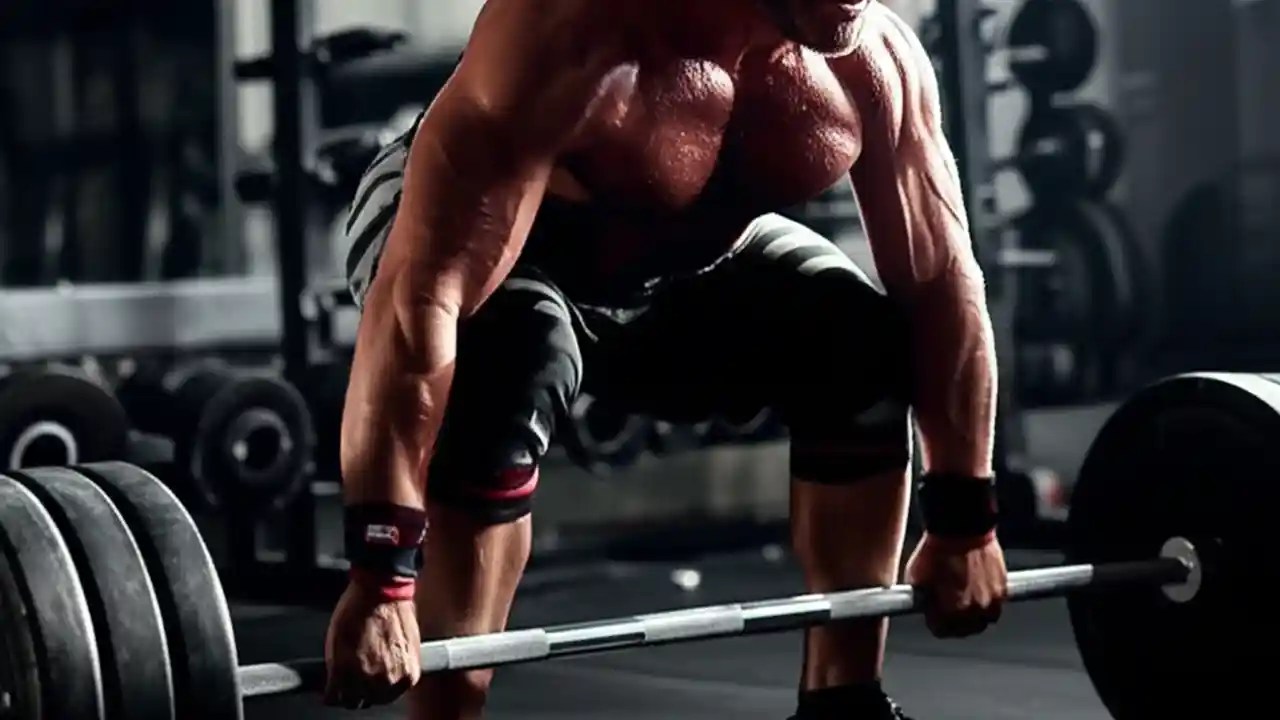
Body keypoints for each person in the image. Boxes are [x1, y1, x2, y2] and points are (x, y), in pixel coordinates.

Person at [324, 0, 1009, 718]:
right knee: (518, 349)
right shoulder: (568, 32)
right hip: (472, 244)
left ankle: (845, 702)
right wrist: (381, 577)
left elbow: (940, 281)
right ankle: (445, 711)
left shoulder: (873, 61)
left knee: (856, 335)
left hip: (675, 266)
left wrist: (966, 519)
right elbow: (421, 304)